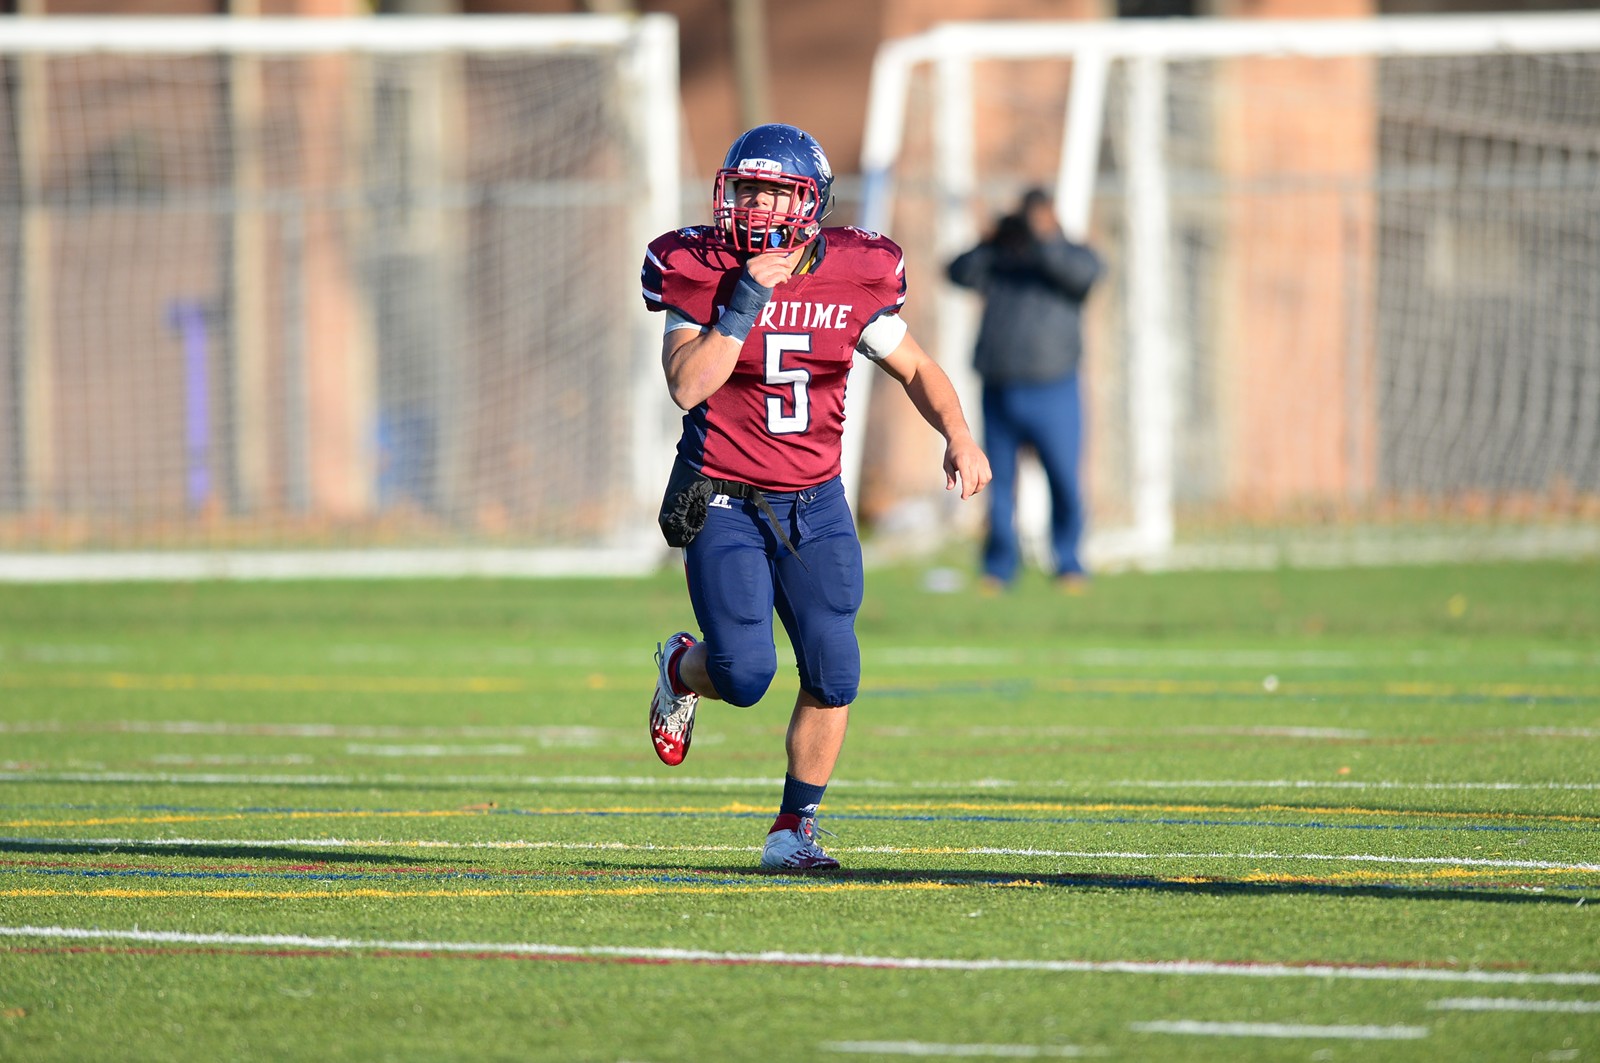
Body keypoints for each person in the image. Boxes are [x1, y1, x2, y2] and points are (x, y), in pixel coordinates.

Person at [641, 123, 991, 871]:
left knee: (835, 670)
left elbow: (918, 367)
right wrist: (742, 302)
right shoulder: (698, 267)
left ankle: (792, 828)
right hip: (723, 495)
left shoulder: (855, 270)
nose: (757, 204)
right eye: (747, 187)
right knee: (744, 673)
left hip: (814, 500)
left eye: (775, 190)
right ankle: (682, 668)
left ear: (811, 203)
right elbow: (687, 384)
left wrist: (958, 432)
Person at [946, 188, 1102, 593]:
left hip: (1055, 388)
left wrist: (1045, 238)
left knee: (1064, 480)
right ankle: (998, 567)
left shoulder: (1070, 253)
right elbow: (958, 272)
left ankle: (1068, 563)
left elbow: (1083, 277)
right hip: (1000, 387)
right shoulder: (1003, 255)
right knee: (995, 483)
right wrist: (992, 238)